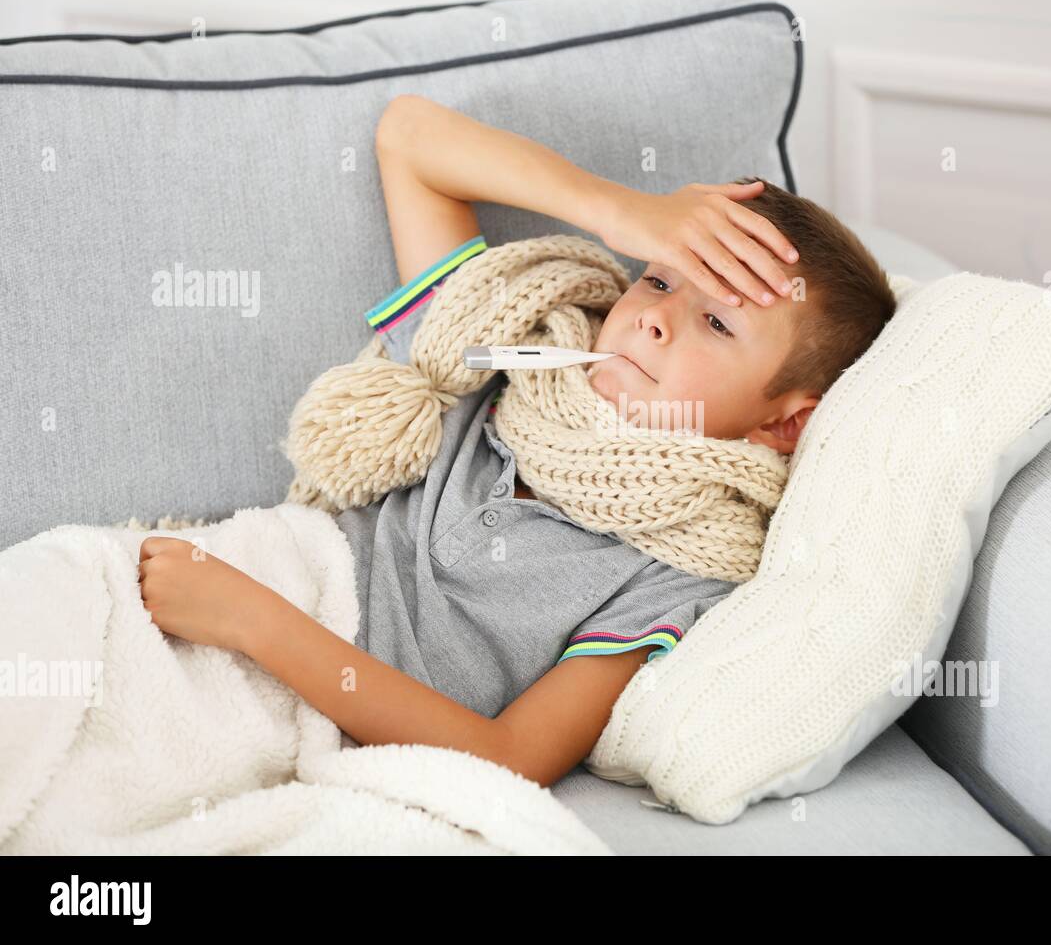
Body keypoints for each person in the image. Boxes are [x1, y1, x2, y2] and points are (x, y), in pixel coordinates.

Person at [136, 95, 896, 789]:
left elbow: (510, 759)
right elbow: (408, 137)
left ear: (784, 422)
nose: (655, 318)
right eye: (661, 280)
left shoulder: (680, 571)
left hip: (262, 659)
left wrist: (252, 620)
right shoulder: (508, 349)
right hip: (217, 585)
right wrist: (619, 210)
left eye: (719, 323)